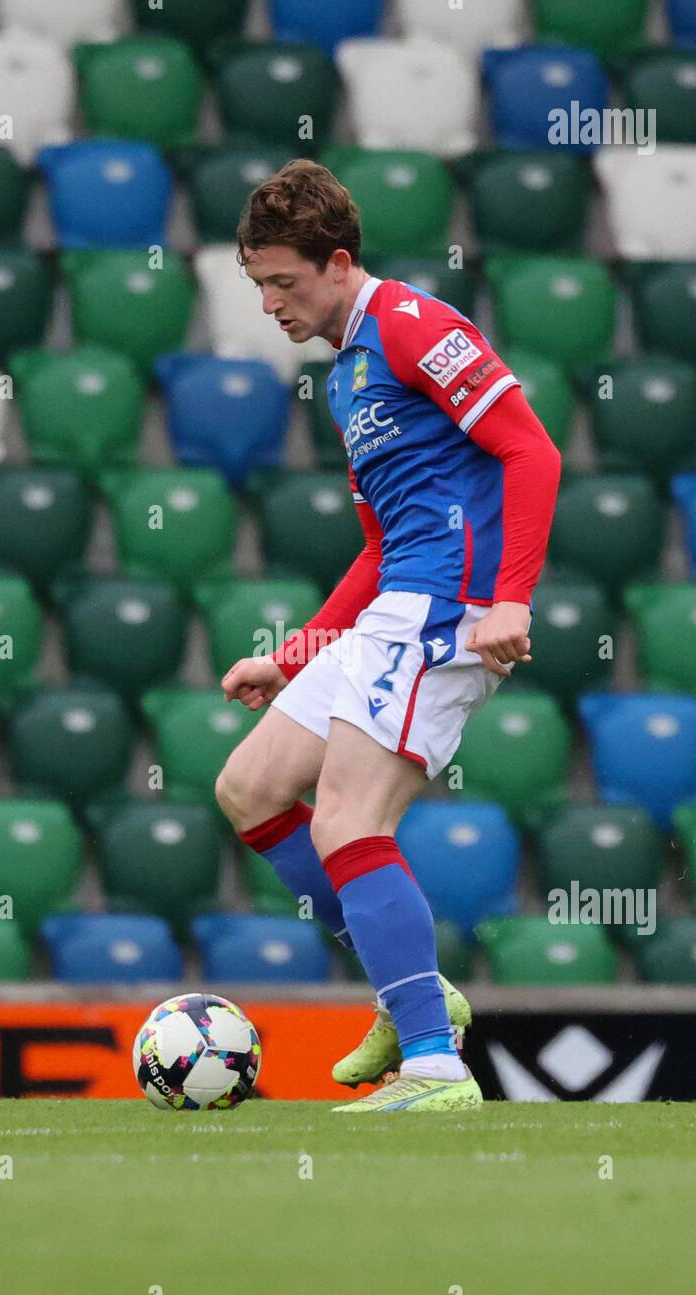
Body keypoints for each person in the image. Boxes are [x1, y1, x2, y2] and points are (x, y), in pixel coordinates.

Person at [214, 159, 561, 1113]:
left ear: (335, 262)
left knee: (346, 820)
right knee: (249, 789)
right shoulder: (345, 375)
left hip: (448, 609)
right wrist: (294, 652)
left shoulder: (413, 328)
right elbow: (379, 542)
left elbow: (532, 450)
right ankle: (409, 993)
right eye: (259, 286)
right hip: (392, 605)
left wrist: (512, 599)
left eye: (284, 282)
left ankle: (434, 1068)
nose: (271, 305)